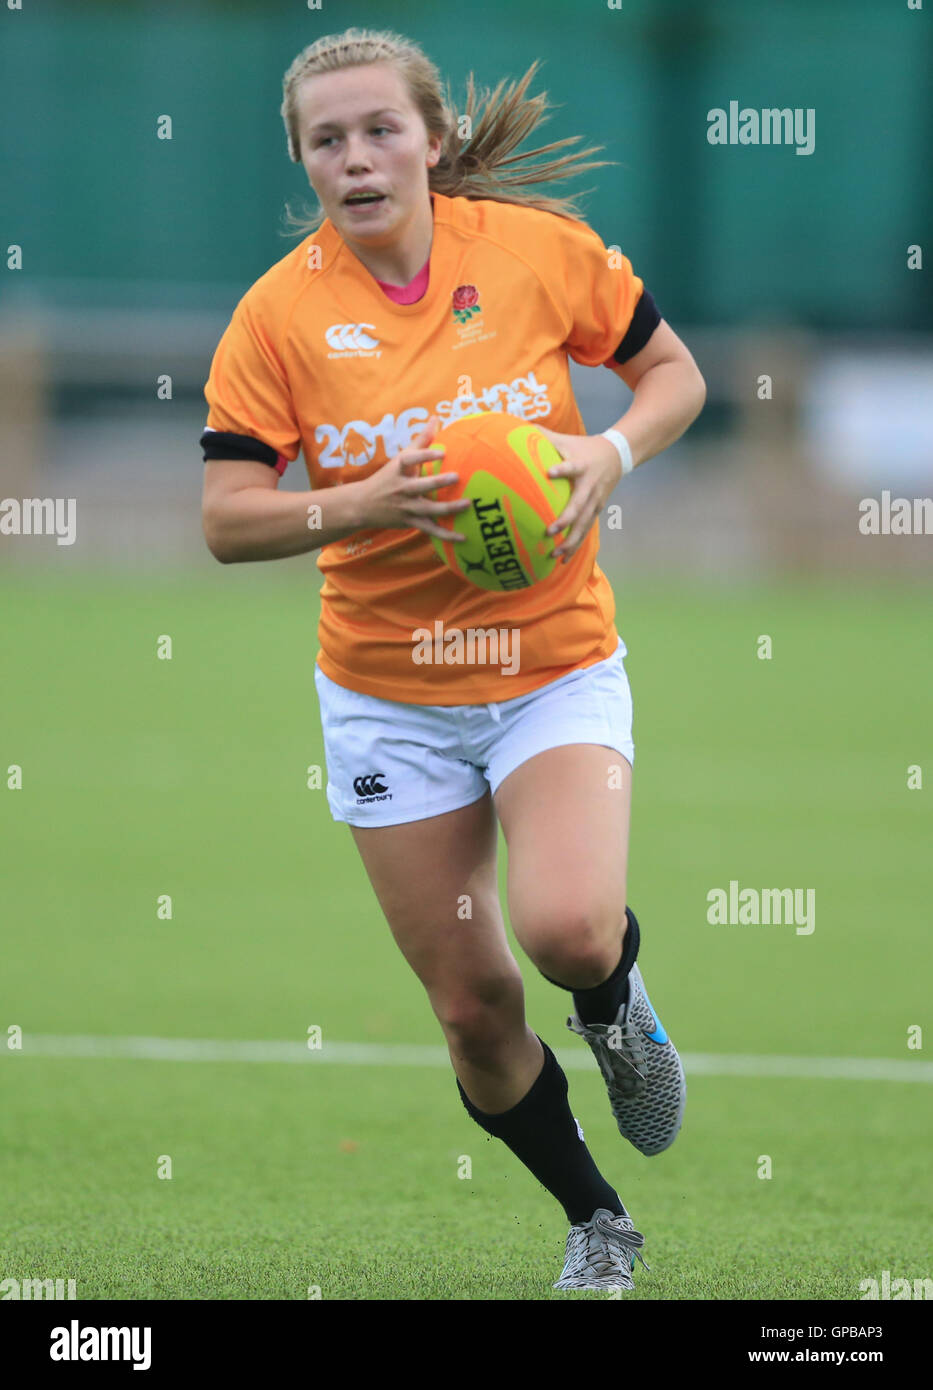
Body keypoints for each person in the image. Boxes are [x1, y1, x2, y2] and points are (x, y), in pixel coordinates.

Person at [200, 26, 705, 1292]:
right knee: (475, 1011)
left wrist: (611, 455)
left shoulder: (534, 255)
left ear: (430, 141)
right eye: (329, 139)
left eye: (380, 130)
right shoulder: (277, 315)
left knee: (571, 930)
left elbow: (672, 375)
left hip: (550, 663)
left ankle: (615, 1007)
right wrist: (365, 502)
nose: (357, 157)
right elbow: (225, 519)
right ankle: (599, 1222)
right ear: (304, 161)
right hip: (388, 696)